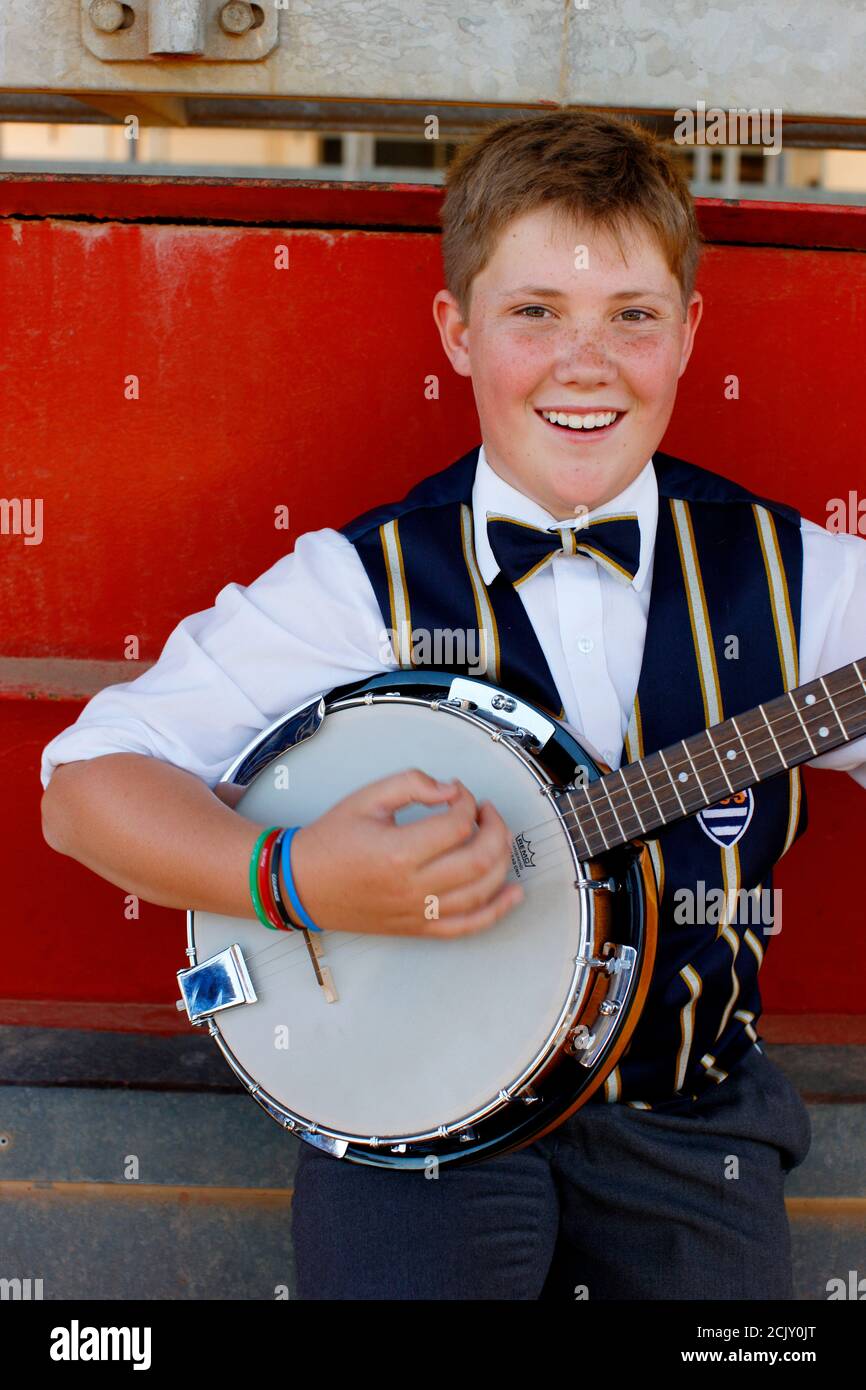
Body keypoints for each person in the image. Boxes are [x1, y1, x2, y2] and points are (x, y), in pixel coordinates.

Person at [40, 110, 866, 1301]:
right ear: (457, 331)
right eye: (534, 313)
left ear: (686, 335)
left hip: (689, 1124)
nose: (584, 362)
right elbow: (86, 787)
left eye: (630, 317)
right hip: (404, 1117)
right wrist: (297, 877)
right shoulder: (355, 583)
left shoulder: (806, 584)